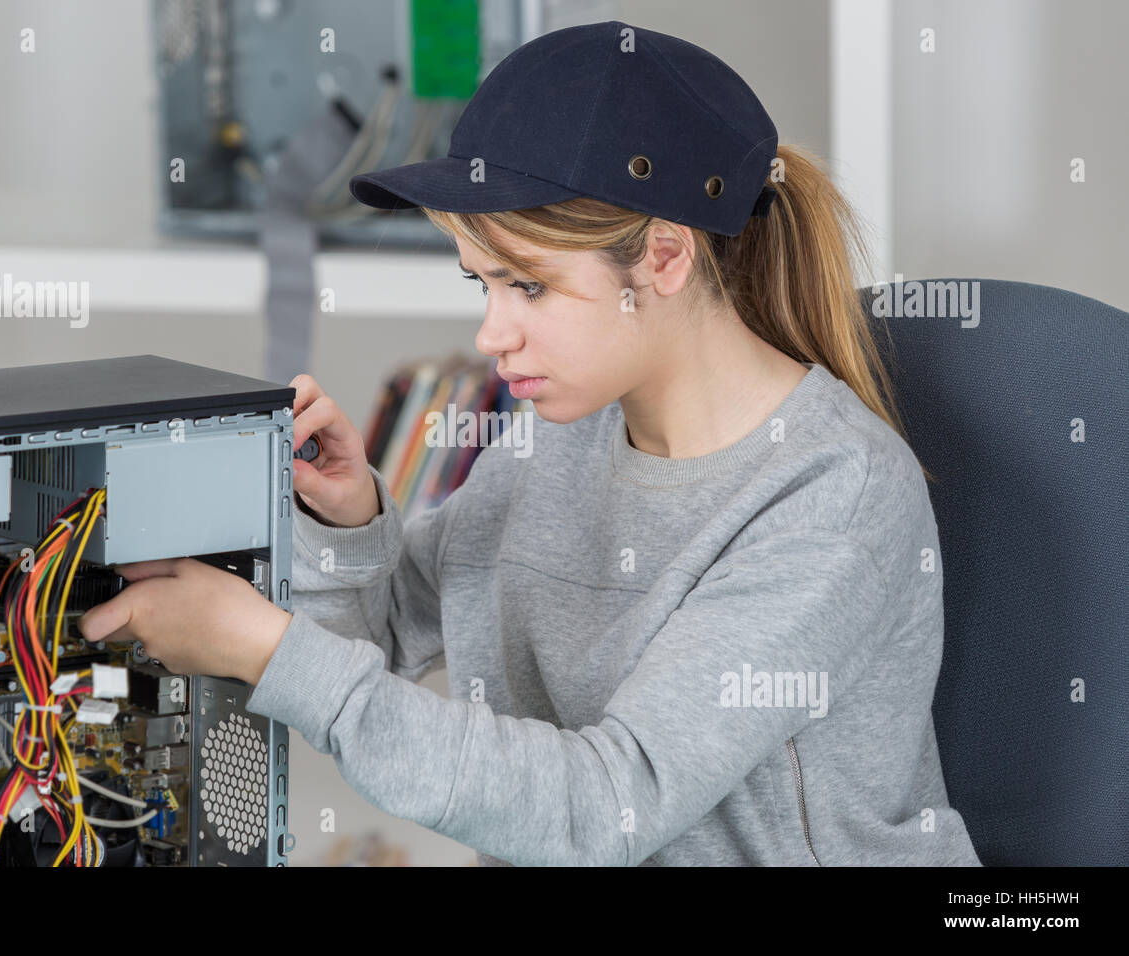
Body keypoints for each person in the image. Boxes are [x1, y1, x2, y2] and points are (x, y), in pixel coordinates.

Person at [80, 20, 982, 866]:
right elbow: (384, 638)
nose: (491, 335)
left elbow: (607, 805)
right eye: (481, 284)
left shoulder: (831, 494)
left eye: (529, 288)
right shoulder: (563, 438)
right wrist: (352, 525)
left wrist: (268, 652)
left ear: (665, 258)